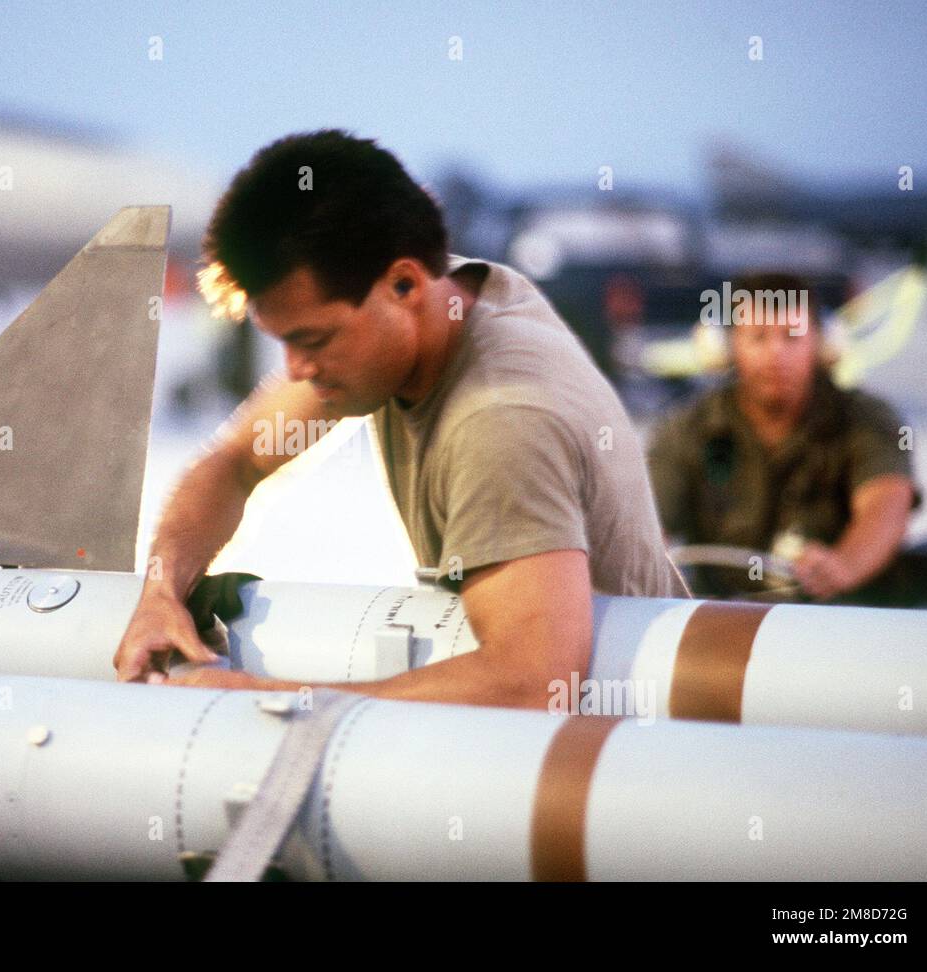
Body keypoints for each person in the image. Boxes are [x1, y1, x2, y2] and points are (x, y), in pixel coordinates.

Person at [114, 130, 689, 708]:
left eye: (312, 339)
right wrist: (161, 592)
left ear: (406, 283)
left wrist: (260, 697)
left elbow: (532, 683)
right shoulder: (426, 302)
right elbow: (236, 462)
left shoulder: (500, 419)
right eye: (282, 342)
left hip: (623, 744)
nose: (296, 369)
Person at [647, 272, 920, 602]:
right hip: (720, 626)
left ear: (822, 345)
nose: (776, 354)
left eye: (791, 337)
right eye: (759, 337)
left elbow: (886, 506)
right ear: (727, 346)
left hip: (837, 625)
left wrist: (844, 565)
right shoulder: (685, 428)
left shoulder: (867, 420)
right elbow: (647, 525)